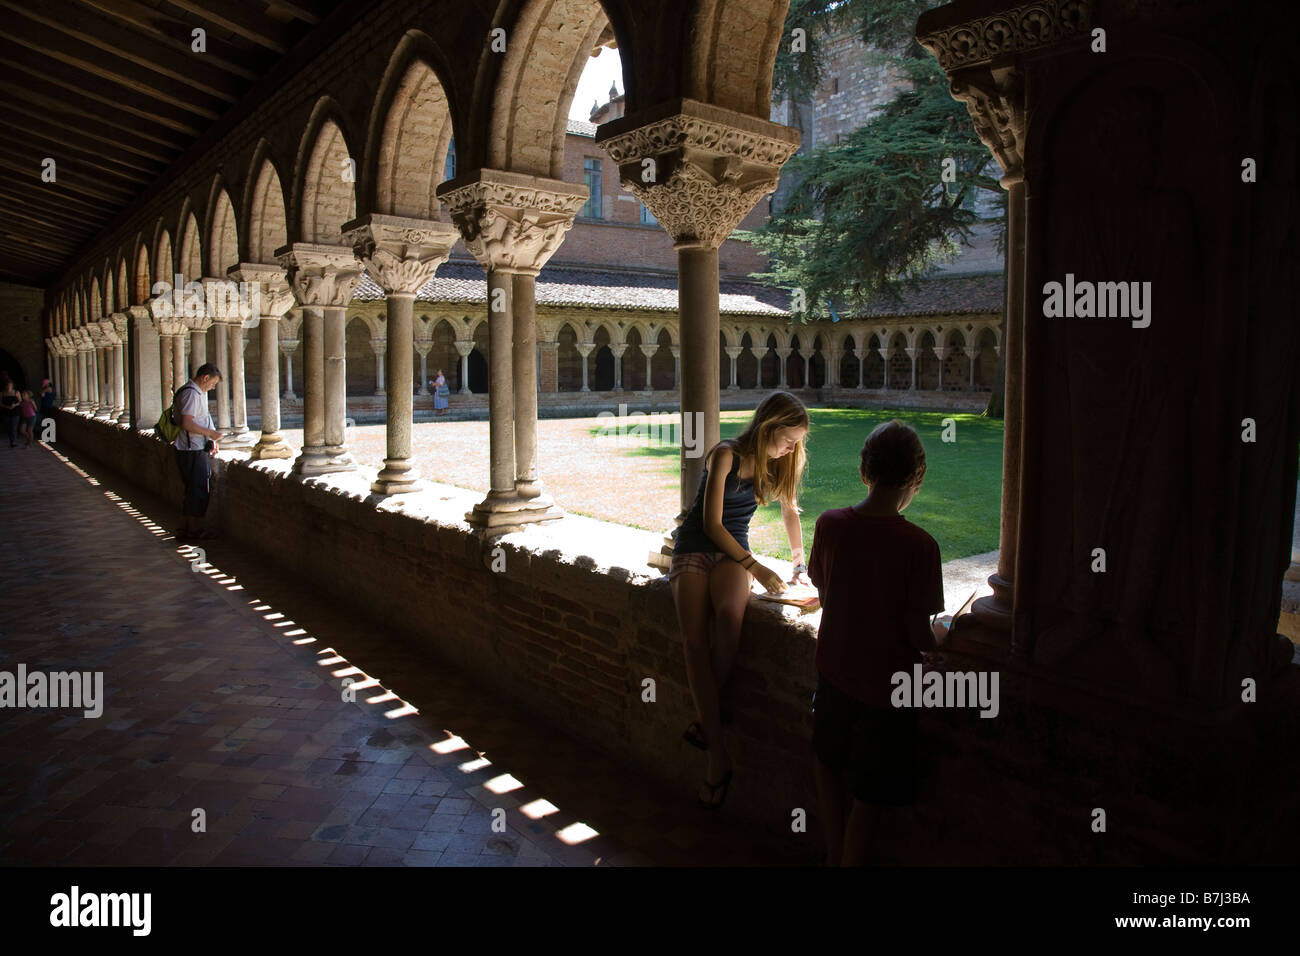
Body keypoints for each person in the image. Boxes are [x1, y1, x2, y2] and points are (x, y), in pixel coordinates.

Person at [807, 419, 947, 866]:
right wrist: (944, 633)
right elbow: (917, 634)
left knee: (828, 765)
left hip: (833, 675)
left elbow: (828, 595)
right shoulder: (920, 546)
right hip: (888, 693)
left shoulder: (830, 526)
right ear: (917, 478)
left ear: (864, 471)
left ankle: (833, 854)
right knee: (871, 792)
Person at [669, 390, 811, 809]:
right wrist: (758, 568)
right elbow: (711, 524)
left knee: (731, 618)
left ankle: (706, 717)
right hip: (696, 546)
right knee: (695, 643)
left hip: (734, 553)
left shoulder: (776, 464)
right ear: (770, 425)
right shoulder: (726, 455)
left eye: (797, 443)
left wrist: (799, 565)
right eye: (789, 439)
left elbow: (790, 511)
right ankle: (718, 756)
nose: (792, 447)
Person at [173, 363, 224, 540]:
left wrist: (210, 440)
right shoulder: (191, 394)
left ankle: (185, 529)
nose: (213, 387)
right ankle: (192, 529)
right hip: (190, 449)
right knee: (198, 491)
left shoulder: (195, 392)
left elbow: (202, 418)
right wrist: (211, 434)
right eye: (213, 383)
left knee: (194, 491)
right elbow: (187, 423)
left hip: (193, 447)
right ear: (205, 378)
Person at [1, 375, 19, 448]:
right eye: (7, 385)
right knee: (8, 427)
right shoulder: (2, 393)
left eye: (10, 385)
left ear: (12, 385)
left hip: (15, 412)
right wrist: (6, 406)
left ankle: (13, 442)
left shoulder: (16, 392)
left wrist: (14, 405)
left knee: (14, 427)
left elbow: (20, 401)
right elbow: (0, 403)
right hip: (6, 412)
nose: (9, 386)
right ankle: (11, 440)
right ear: (5, 386)